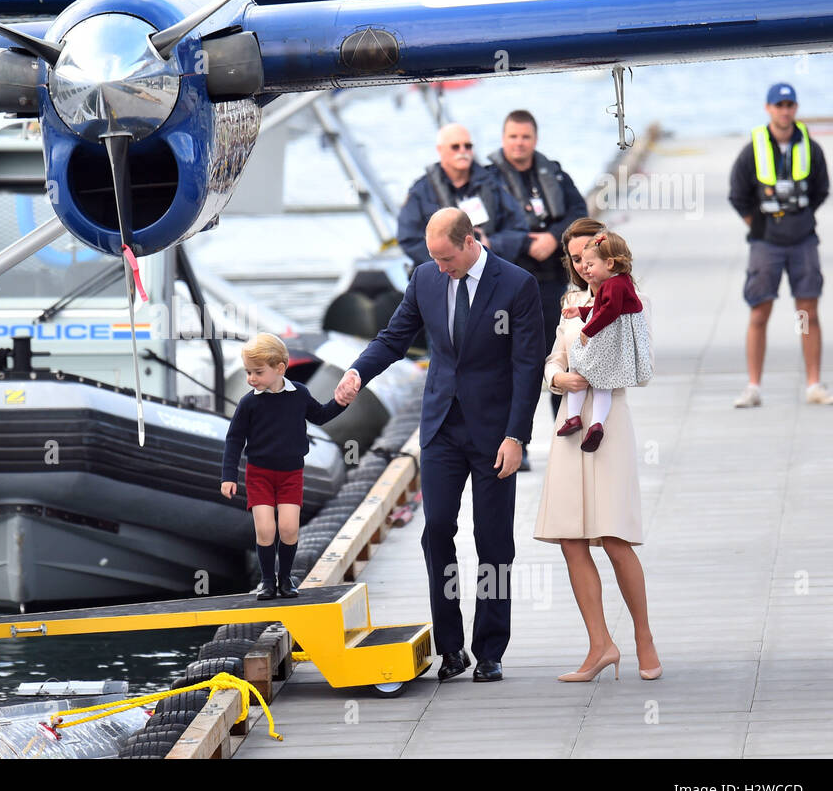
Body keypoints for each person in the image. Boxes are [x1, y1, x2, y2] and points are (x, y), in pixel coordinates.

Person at [334, 208, 544, 682]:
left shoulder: (517, 285)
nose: (442, 267)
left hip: (494, 434)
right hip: (441, 429)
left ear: (471, 242)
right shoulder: (426, 278)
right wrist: (357, 372)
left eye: (448, 258)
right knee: (437, 533)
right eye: (434, 258)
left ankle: (490, 649)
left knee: (493, 542)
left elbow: (527, 367)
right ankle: (451, 648)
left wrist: (517, 436)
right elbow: (394, 338)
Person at [535, 217, 662, 683]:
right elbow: (553, 358)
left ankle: (643, 637)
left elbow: (642, 368)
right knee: (570, 537)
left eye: (589, 252)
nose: (582, 262)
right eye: (574, 256)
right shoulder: (570, 302)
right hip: (570, 426)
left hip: (609, 427)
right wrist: (557, 378)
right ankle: (600, 645)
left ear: (608, 252)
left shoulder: (632, 299)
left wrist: (600, 371)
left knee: (613, 537)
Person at [728, 82, 833, 408]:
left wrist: (799, 218)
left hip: (803, 241)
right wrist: (761, 224)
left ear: (796, 109)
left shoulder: (811, 147)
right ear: (768, 108)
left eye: (790, 104)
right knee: (759, 311)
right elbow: (738, 195)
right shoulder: (753, 150)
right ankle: (753, 387)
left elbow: (821, 190)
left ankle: (814, 385)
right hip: (766, 244)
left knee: (808, 313)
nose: (785, 110)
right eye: (779, 105)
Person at [221, 332, 349, 601]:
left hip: (291, 473)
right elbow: (234, 439)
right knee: (266, 529)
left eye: (257, 372)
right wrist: (228, 476)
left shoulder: (299, 395)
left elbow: (321, 415)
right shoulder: (249, 402)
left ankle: (286, 578)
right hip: (259, 475)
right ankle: (267, 581)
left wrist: (340, 402)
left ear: (280, 368)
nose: (251, 379)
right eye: (248, 372)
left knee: (289, 528)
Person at [488, 110, 588, 427]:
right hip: (505, 287)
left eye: (525, 137)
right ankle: (514, 442)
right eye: (513, 137)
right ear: (503, 139)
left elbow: (579, 212)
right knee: (510, 366)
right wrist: (523, 244)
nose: (519, 143)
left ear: (535, 139)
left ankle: (565, 427)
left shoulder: (553, 173)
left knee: (558, 359)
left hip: (549, 285)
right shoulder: (487, 180)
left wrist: (551, 237)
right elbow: (481, 236)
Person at [556, 231, 652, 453]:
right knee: (603, 386)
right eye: (579, 261)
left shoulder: (614, 285)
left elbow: (608, 311)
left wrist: (588, 330)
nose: (585, 268)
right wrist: (580, 310)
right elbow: (602, 308)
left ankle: (575, 417)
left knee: (579, 365)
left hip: (608, 341)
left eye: (590, 263)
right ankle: (595, 424)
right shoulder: (618, 284)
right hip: (613, 345)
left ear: (609, 263)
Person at [397, 124, 529, 269]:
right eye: (455, 147)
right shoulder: (421, 191)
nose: (463, 151)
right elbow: (409, 239)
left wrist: (490, 244)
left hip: (490, 270)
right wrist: (450, 257)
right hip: (443, 276)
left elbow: (518, 227)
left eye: (468, 146)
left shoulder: (493, 184)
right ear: (440, 150)